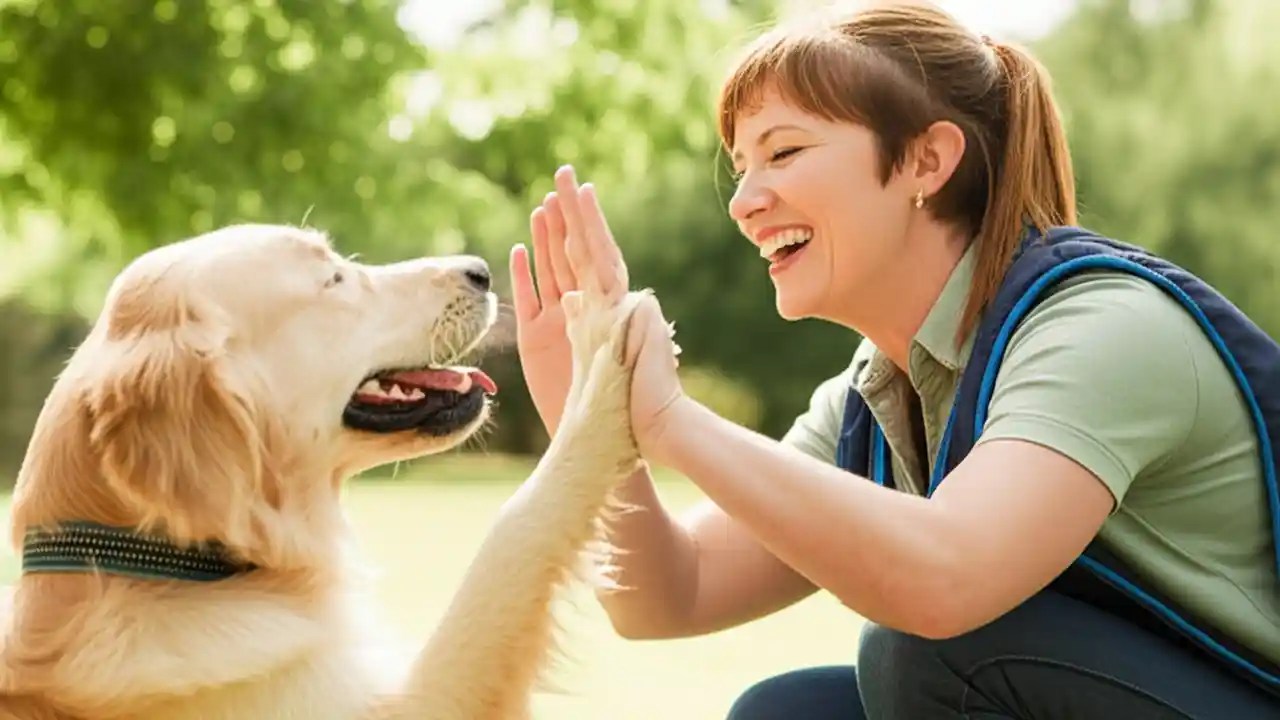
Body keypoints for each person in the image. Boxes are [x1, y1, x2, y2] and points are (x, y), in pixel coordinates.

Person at [507, 2, 1280, 718]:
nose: (745, 200)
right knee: (787, 713)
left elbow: (946, 583)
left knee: (927, 651)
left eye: (783, 152)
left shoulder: (1102, 329)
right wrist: (591, 420)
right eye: (742, 166)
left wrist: (671, 421)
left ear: (926, 160)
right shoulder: (873, 392)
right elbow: (669, 596)